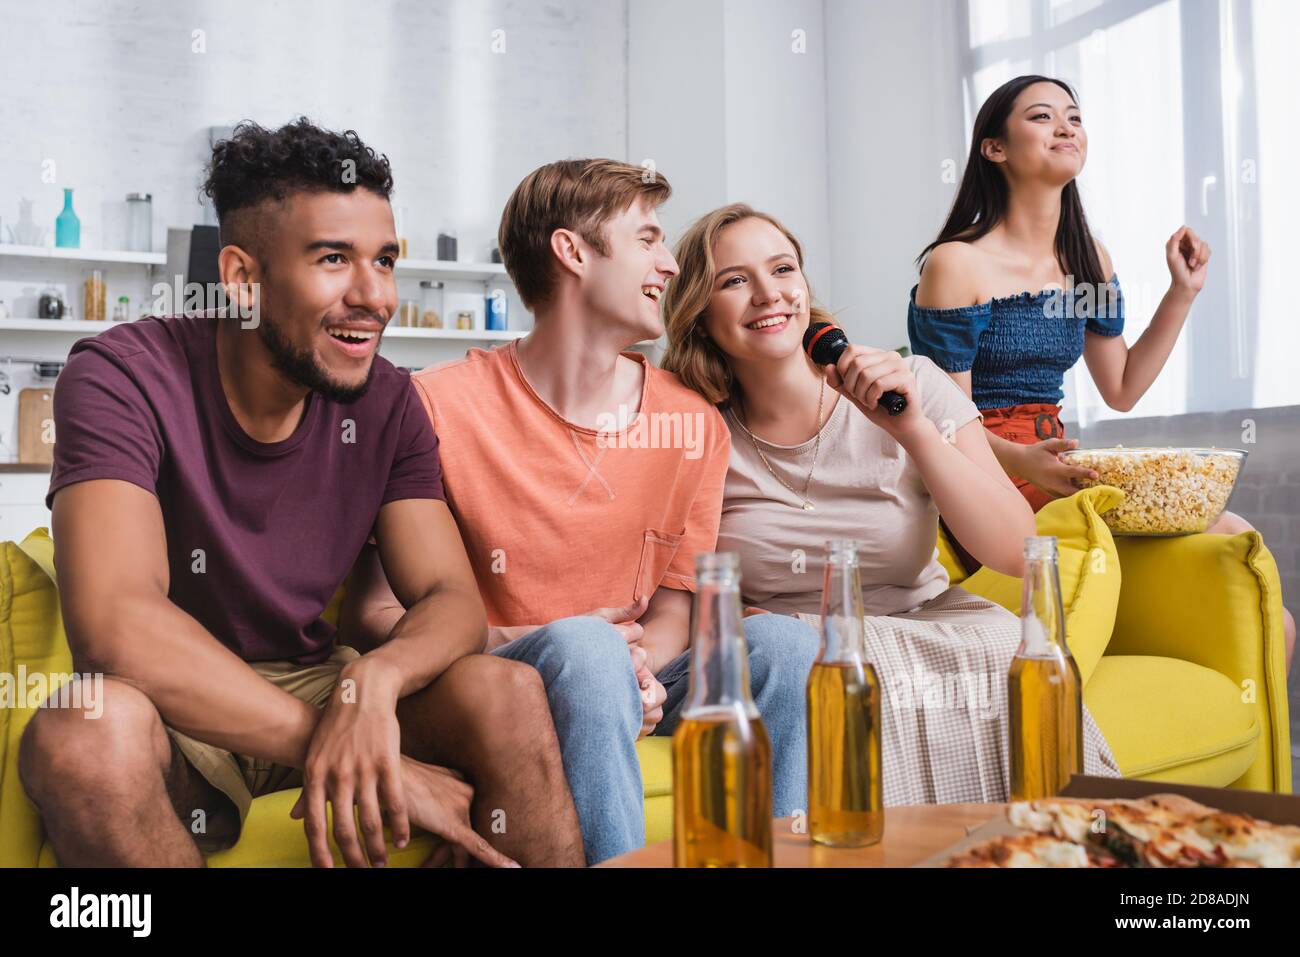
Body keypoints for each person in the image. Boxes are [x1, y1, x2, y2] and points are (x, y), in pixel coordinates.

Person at [18, 118, 582, 868]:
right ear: (243, 277)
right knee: (83, 732)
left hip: (323, 679)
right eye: (332, 259)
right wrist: (343, 745)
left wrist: (371, 684)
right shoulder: (123, 375)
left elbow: (452, 598)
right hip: (174, 704)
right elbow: (118, 627)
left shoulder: (389, 403)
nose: (373, 295)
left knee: (505, 694)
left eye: (384, 260)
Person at [342, 160, 819, 865]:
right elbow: (371, 614)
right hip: (506, 675)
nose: (669, 263)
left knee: (787, 646)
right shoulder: (437, 405)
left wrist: (639, 675)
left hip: (635, 674)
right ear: (572, 252)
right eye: (649, 240)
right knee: (586, 650)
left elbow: (675, 609)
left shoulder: (692, 424)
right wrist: (558, 647)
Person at [662, 202, 1121, 805]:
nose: (769, 295)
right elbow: (676, 587)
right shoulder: (693, 432)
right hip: (789, 648)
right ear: (699, 314)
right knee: (812, 662)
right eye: (734, 280)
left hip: (924, 622)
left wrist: (913, 431)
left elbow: (1016, 551)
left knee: (1010, 649)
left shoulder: (916, 383)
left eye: (782, 270)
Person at [908, 74, 1294, 668]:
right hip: (982, 470)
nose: (1065, 126)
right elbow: (942, 421)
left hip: (1053, 460)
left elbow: (1122, 387)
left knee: (1262, 591)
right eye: (1041, 117)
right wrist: (1021, 460)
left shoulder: (1088, 257)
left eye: (1074, 116)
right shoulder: (957, 263)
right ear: (995, 148)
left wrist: (1182, 293)